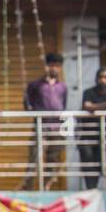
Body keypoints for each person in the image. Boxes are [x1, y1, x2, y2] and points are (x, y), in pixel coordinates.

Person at [21, 53, 69, 191]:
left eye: (57, 66)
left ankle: (47, 186)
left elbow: (64, 105)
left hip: (57, 126)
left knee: (53, 158)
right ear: (47, 66)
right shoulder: (36, 85)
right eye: (51, 65)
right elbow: (27, 103)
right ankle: (28, 186)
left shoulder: (63, 87)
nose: (54, 68)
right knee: (35, 156)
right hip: (41, 125)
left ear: (60, 68)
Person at [80, 67, 106, 190]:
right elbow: (87, 106)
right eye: (101, 77)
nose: (103, 80)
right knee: (89, 163)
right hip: (88, 134)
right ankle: (92, 191)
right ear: (96, 79)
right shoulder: (89, 92)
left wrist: (96, 107)